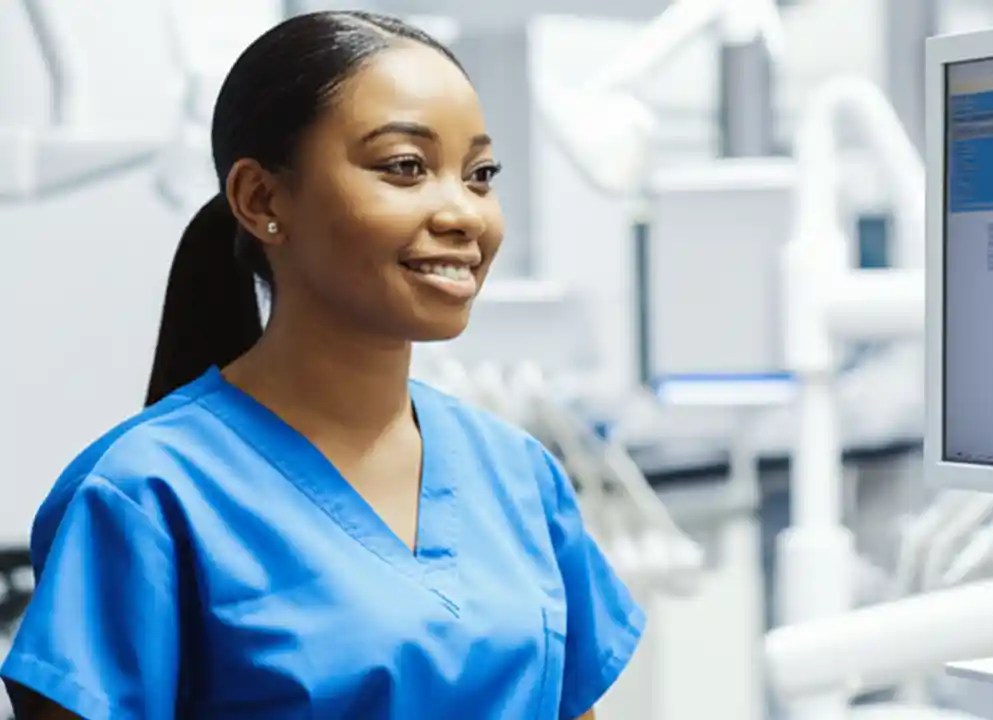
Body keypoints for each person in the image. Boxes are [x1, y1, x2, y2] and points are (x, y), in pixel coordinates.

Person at [0, 11, 644, 720]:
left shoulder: (519, 476)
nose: (463, 213)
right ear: (261, 199)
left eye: (479, 175)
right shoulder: (144, 495)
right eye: (406, 167)